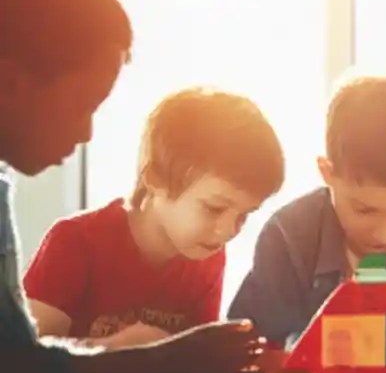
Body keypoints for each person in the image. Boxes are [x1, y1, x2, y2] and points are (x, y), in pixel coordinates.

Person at [0, 0, 264, 373]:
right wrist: (162, 362)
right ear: (9, 83)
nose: (86, 134)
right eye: (82, 105)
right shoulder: (76, 239)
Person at [229, 70, 386, 346]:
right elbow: (255, 354)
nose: (385, 235)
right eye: (365, 210)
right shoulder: (288, 235)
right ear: (327, 173)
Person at [24, 88, 284, 347]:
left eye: (244, 216)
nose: (228, 231)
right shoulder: (74, 242)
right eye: (213, 208)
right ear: (155, 179)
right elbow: (25, 364)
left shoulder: (206, 256)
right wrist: (114, 350)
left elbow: (194, 364)